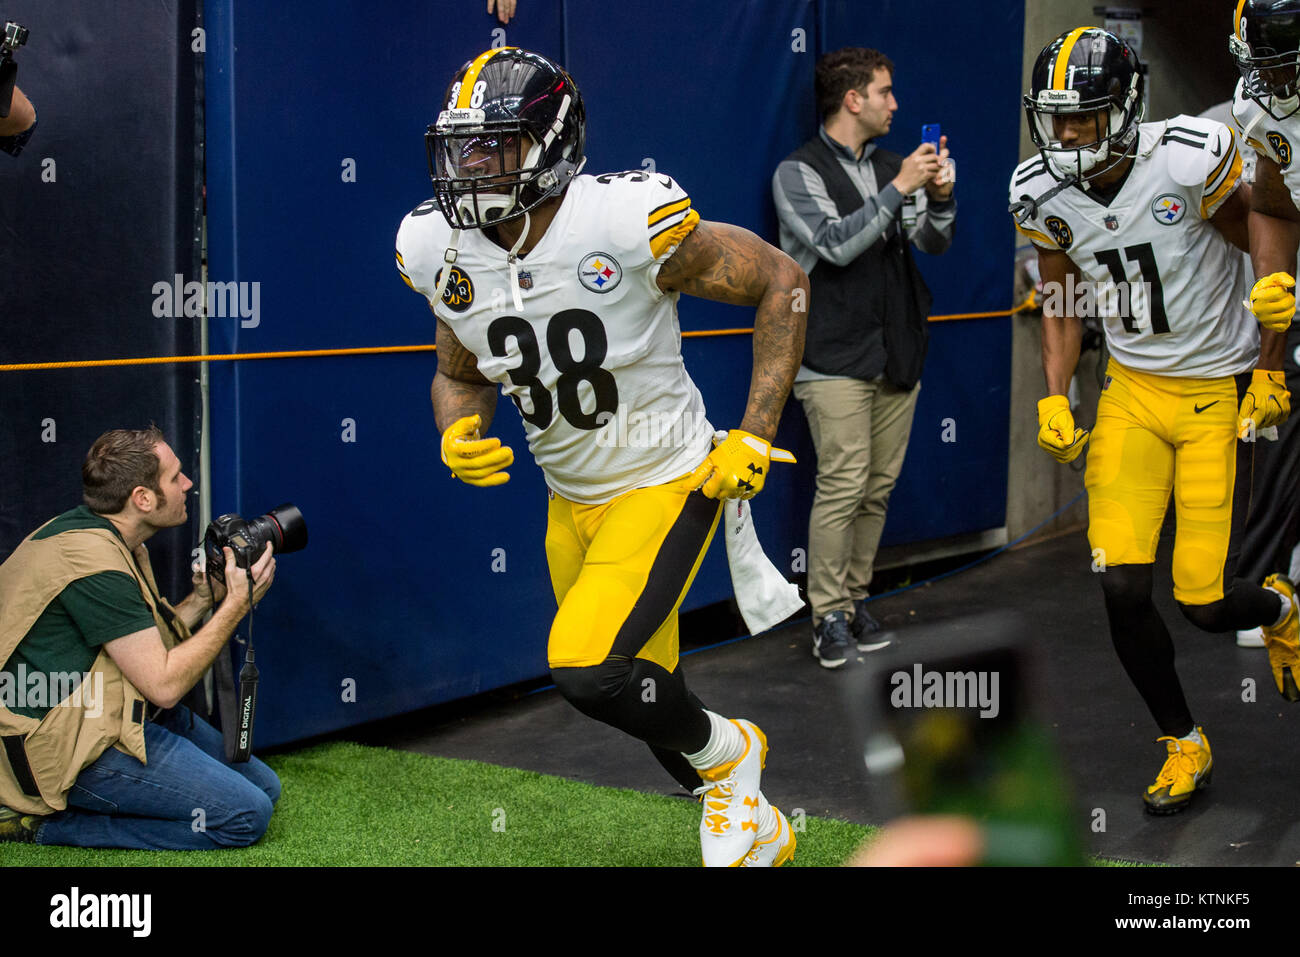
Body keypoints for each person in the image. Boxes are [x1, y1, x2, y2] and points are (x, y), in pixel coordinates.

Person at [395, 47, 808, 866]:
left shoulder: (624, 221)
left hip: (666, 473)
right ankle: (754, 816)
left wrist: (756, 431)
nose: (471, 165)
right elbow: (457, 370)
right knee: (644, 696)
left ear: (549, 145)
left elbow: (783, 281)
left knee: (586, 669)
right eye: (462, 146)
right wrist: (455, 427)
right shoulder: (435, 245)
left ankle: (737, 756)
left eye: (495, 145)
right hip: (568, 496)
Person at [1012, 26, 1297, 814]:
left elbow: (1271, 237)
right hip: (1132, 392)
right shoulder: (1038, 188)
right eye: (1056, 116)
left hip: (1215, 391)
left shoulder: (1188, 155)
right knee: (1122, 588)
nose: (1066, 133)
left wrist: (1273, 361)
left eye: (1085, 115)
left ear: (1127, 106)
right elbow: (1062, 293)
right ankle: (1182, 739)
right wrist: (1054, 391)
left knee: (1204, 601)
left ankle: (1279, 607)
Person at [0, 427, 280, 848]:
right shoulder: (96, 564)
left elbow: (142, 647)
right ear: (143, 499)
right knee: (245, 816)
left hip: (112, 711)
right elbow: (164, 685)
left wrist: (205, 600)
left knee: (267, 788)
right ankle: (42, 825)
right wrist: (236, 606)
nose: (188, 484)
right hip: (59, 748)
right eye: (176, 477)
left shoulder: (108, 537)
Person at [772, 46, 956, 669]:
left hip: (895, 350)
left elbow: (931, 242)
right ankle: (826, 616)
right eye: (884, 92)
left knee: (877, 489)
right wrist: (901, 186)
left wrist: (938, 196)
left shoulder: (887, 164)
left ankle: (853, 601)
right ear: (853, 99)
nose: (894, 104)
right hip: (829, 355)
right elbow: (835, 247)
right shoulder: (796, 172)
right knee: (844, 484)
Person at [1229, 0, 1300, 645]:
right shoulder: (1256, 102)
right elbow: (1276, 207)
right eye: (1263, 68)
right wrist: (1270, 357)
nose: (1272, 83)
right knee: (1278, 432)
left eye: (1286, 68)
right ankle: (1275, 581)